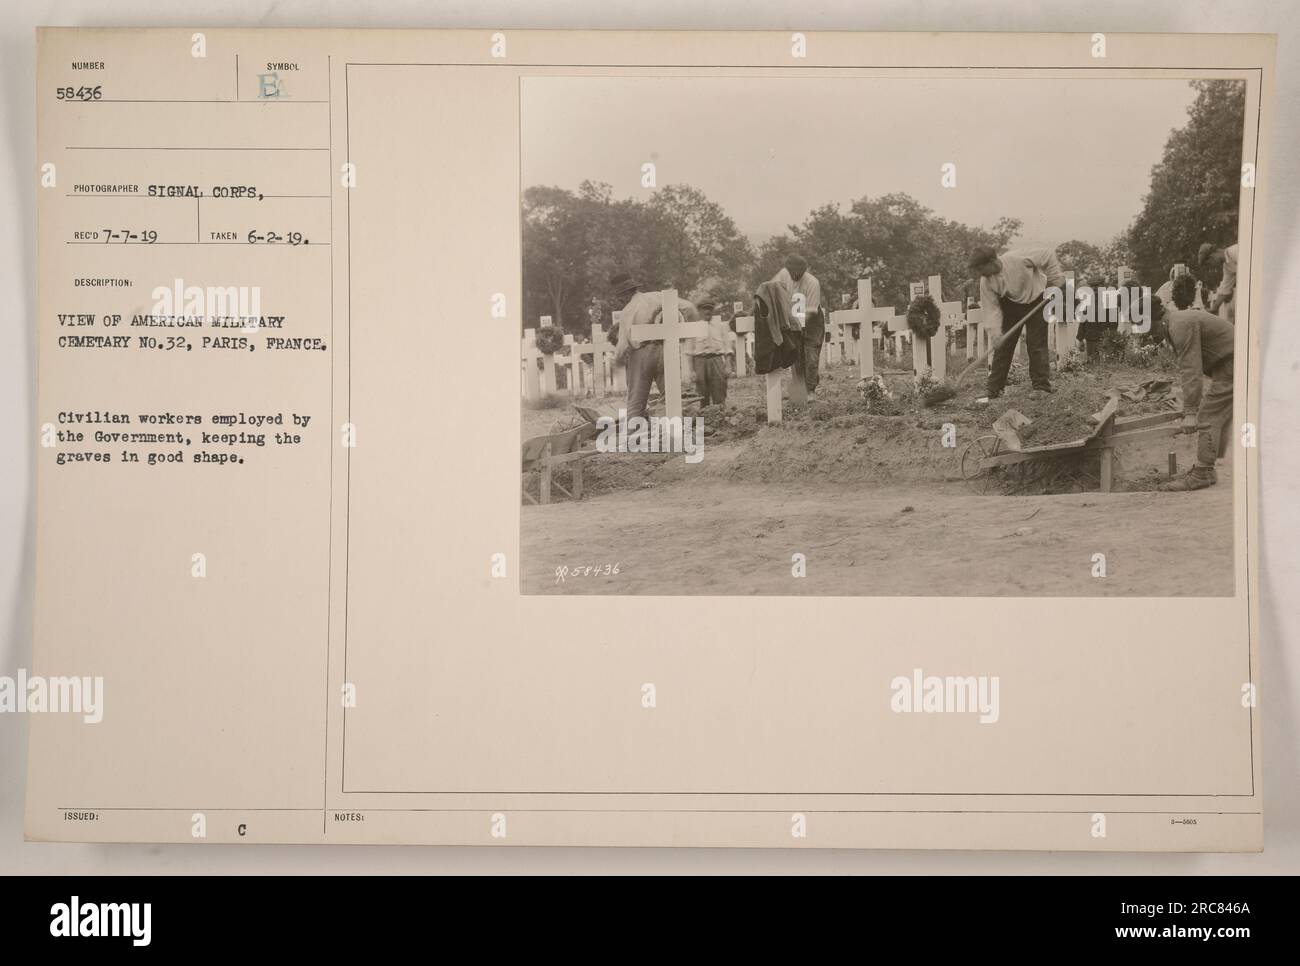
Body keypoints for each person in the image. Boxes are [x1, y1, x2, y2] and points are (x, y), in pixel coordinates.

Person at [1160, 274, 1235, 492]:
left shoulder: (1180, 324)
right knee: (1218, 415)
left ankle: (1203, 473)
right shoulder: (1178, 320)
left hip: (1234, 362)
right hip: (1231, 361)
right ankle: (1208, 468)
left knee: (1208, 415)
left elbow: (1191, 369)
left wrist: (1190, 411)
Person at [968, 245, 1065, 397]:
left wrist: (1056, 279)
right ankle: (993, 389)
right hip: (1011, 304)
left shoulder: (1017, 258)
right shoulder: (986, 282)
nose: (980, 273)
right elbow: (991, 309)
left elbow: (1047, 253)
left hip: (1037, 299)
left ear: (992, 261)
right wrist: (995, 334)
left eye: (981, 268)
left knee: (1036, 344)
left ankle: (1041, 387)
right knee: (1003, 346)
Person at [610, 272, 697, 422]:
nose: (619, 299)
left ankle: (634, 437)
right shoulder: (657, 296)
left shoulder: (628, 310)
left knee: (636, 400)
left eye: (619, 296)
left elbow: (623, 344)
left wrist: (617, 361)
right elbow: (689, 307)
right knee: (672, 396)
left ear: (623, 294)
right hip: (664, 350)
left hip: (641, 354)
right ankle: (681, 432)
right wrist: (682, 332)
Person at [772, 254, 824, 401]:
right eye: (792, 272)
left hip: (812, 321)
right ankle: (799, 391)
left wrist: (796, 322)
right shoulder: (783, 275)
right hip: (793, 317)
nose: (795, 275)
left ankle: (811, 391)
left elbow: (812, 311)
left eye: (798, 273)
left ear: (804, 271)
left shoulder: (813, 283)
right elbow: (771, 288)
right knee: (796, 356)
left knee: (811, 356)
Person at [687, 300, 729, 407]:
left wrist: (728, 366)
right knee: (702, 392)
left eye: (710, 309)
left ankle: (720, 416)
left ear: (713, 310)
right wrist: (692, 371)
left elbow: (728, 348)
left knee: (719, 389)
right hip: (700, 361)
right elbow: (690, 351)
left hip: (717, 360)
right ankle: (705, 417)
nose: (707, 311)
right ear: (699, 311)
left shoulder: (720, 326)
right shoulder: (694, 327)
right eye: (704, 309)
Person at [1198, 242, 1239, 324]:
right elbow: (1225, 288)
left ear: (1212, 255)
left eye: (1209, 264)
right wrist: (1214, 308)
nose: (1212, 267)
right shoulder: (1227, 267)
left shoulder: (1235, 251)